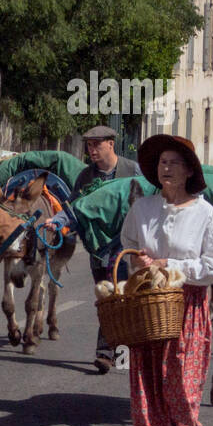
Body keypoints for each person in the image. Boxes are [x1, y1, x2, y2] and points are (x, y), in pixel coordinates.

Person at [120, 134, 213, 426]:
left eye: (173, 163)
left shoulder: (204, 213)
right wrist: (138, 260)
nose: (165, 168)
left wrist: (172, 265)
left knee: (180, 385)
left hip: (187, 307)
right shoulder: (142, 208)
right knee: (147, 390)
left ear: (189, 170)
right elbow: (128, 245)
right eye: (161, 163)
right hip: (149, 306)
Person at [74, 126, 142, 373]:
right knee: (106, 300)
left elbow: (146, 202)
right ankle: (112, 351)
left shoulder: (132, 170)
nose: (91, 150)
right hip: (98, 251)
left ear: (111, 144)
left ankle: (109, 352)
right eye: (89, 145)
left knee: (121, 298)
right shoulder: (85, 177)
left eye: (96, 145)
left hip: (126, 249)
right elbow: (76, 209)